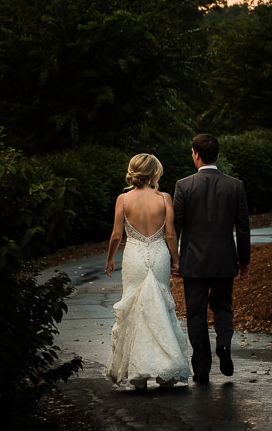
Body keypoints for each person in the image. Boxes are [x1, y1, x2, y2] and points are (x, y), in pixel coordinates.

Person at [104, 153, 191, 390]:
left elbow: (117, 235)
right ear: (154, 173)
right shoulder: (164, 198)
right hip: (159, 254)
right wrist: (176, 260)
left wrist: (110, 258)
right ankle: (166, 372)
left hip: (134, 256)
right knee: (160, 304)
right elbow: (170, 234)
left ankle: (138, 375)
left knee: (135, 306)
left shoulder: (123, 199)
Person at [172, 134, 250, 384]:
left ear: (196, 154)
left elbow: (175, 227)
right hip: (224, 260)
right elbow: (243, 228)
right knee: (223, 306)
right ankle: (224, 344)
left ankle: (202, 368)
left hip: (193, 262)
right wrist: (244, 260)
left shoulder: (184, 186)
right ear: (216, 154)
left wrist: (174, 259)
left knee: (196, 314)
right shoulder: (235, 185)